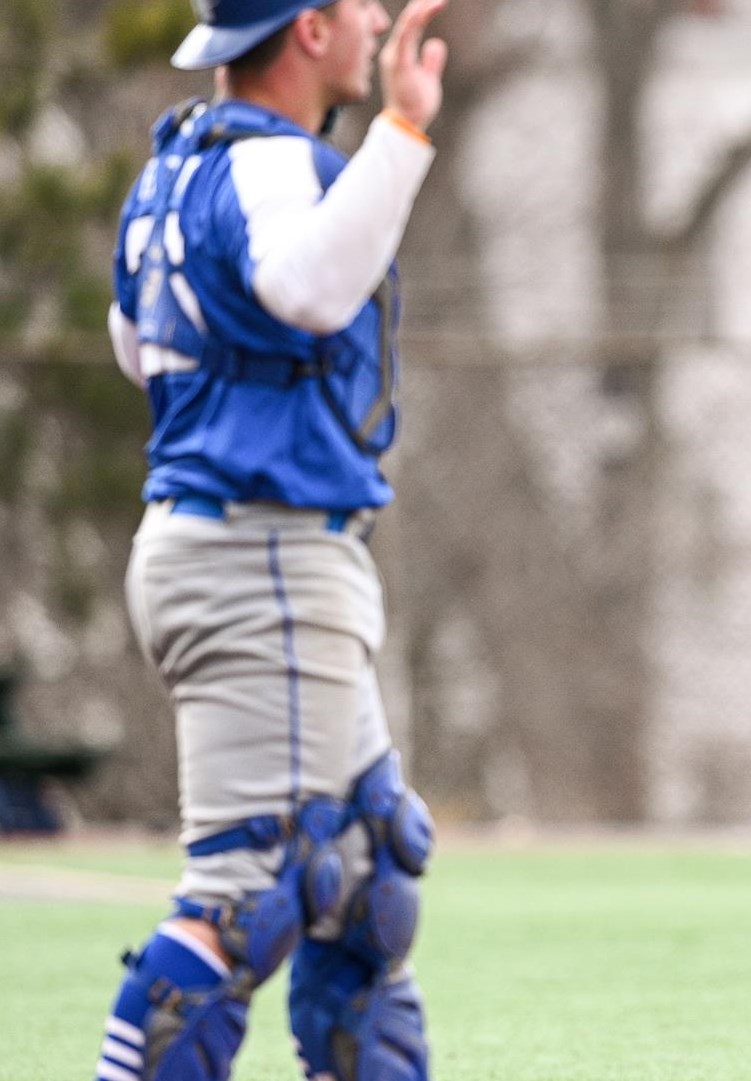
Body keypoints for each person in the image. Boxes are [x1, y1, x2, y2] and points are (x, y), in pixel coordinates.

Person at [92, 1, 446, 1079]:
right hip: (262, 556)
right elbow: (306, 288)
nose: (378, 19)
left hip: (221, 544)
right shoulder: (269, 160)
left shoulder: (174, 166)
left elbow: (135, 344)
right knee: (247, 897)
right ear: (305, 30)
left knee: (364, 861)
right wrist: (403, 129)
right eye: (357, 8)